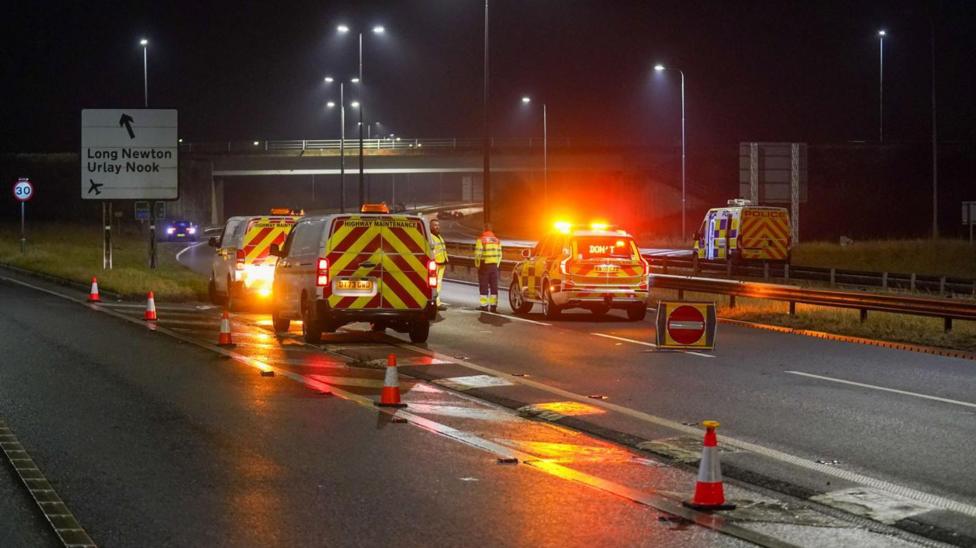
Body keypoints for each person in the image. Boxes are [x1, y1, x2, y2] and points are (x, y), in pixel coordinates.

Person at [473, 223, 502, 312]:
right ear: (491, 230)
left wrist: (477, 265)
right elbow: (500, 255)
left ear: (484, 229)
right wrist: (496, 265)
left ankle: (484, 306)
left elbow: (478, 254)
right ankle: (493, 306)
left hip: (484, 265)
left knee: (484, 285)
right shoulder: (497, 240)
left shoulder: (481, 240)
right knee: (494, 286)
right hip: (494, 266)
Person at [430, 219, 449, 310]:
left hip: (441, 263)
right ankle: (435, 303)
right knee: (435, 284)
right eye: (435, 225)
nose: (437, 227)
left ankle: (437, 302)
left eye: (438, 225)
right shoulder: (431, 237)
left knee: (438, 284)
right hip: (436, 264)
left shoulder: (438, 236)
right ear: (430, 227)